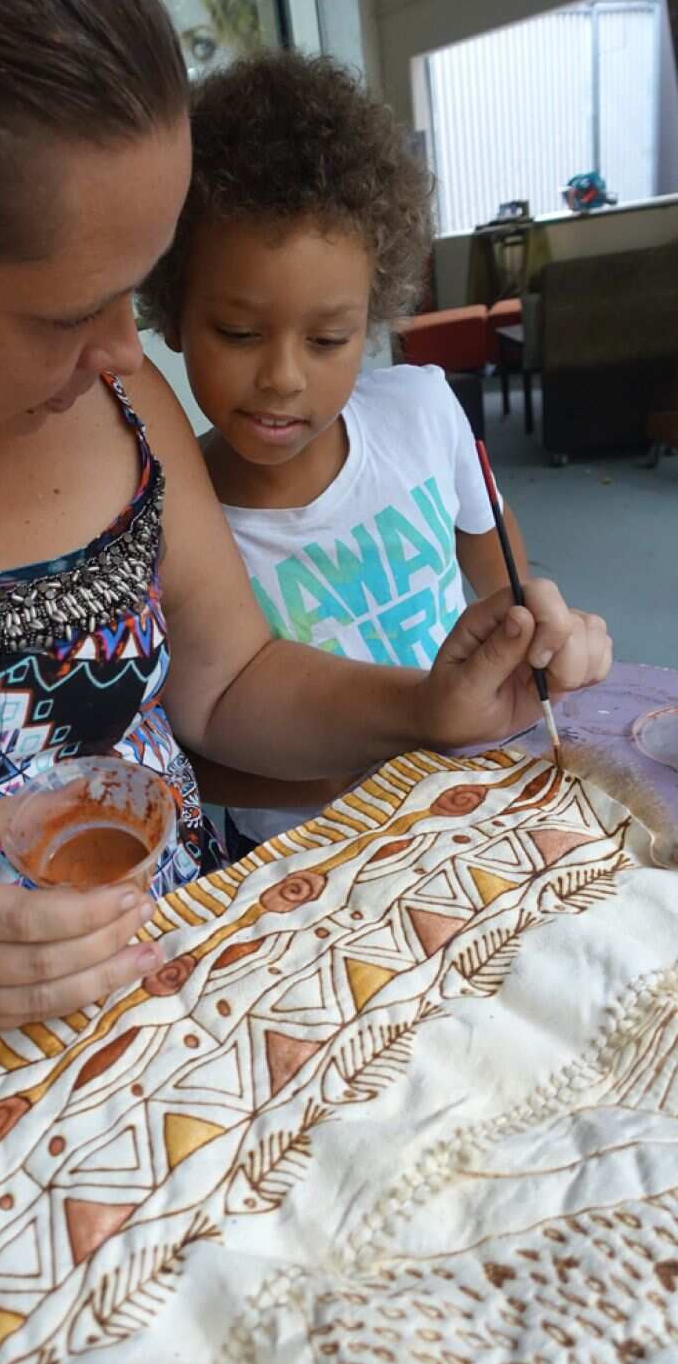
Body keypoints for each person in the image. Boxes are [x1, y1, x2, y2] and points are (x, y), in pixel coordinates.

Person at [0, 0, 609, 1181]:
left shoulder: (111, 399)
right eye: (67, 309)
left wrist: (424, 705)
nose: (129, 350)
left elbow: (230, 679)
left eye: (139, 286)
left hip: (187, 1044)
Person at [138, 49, 537, 850]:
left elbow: (511, 600)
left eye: (329, 338)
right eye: (239, 332)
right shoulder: (169, 525)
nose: (283, 378)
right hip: (307, 855)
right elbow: (186, 747)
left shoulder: (425, 412)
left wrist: (539, 642)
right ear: (175, 309)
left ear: (376, 314)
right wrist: (321, 779)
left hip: (472, 804)